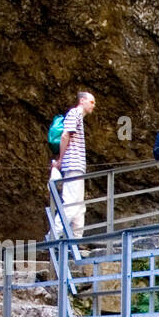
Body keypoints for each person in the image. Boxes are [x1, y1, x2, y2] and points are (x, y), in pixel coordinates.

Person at [56, 89, 96, 237]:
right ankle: (53, 235)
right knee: (71, 204)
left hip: (78, 166)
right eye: (91, 102)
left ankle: (76, 239)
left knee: (79, 206)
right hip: (73, 164)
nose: (93, 105)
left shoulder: (78, 116)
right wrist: (60, 159)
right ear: (82, 101)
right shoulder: (74, 113)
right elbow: (66, 135)